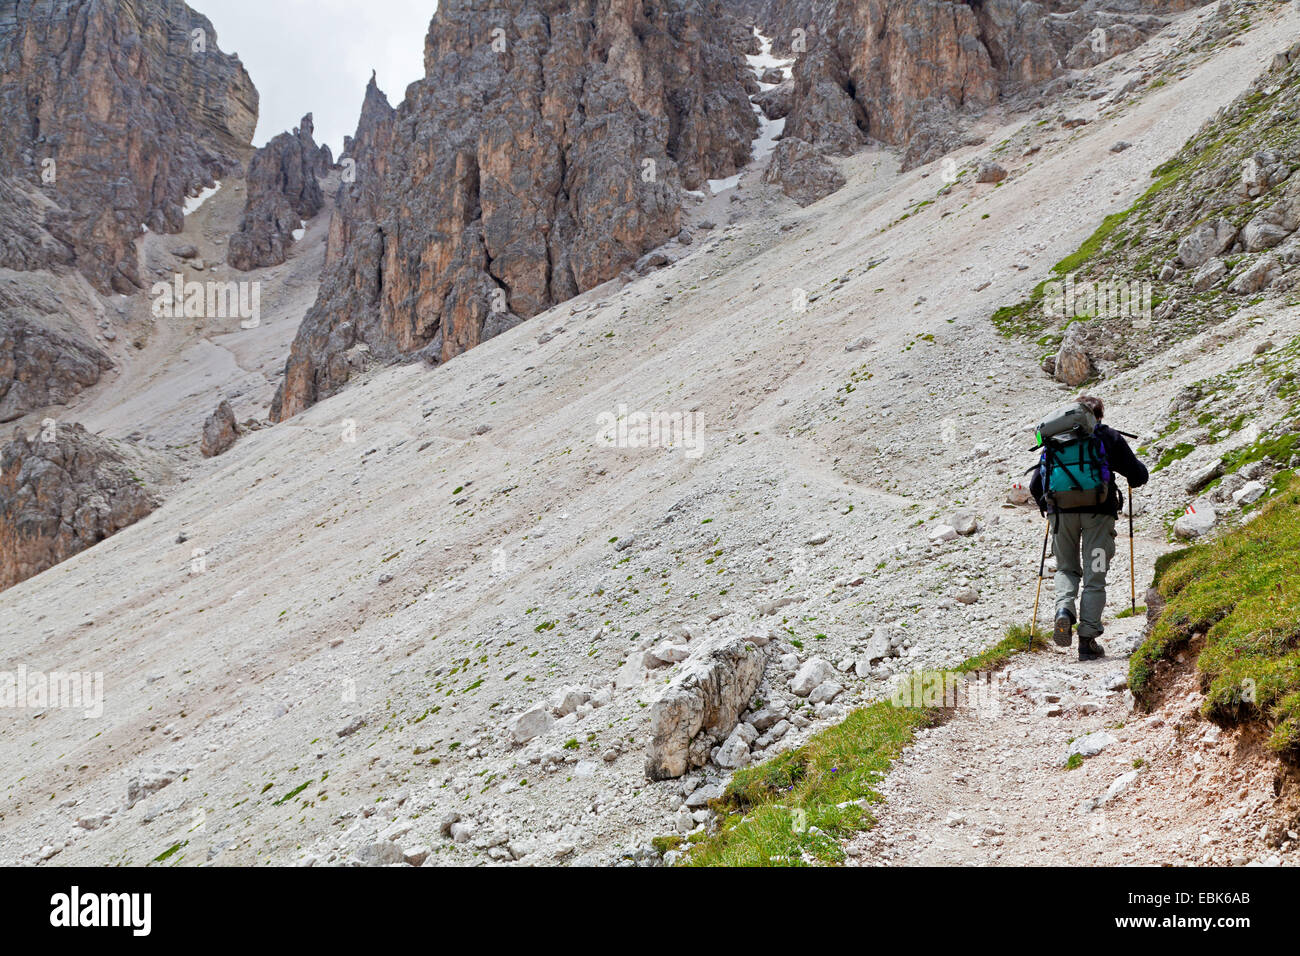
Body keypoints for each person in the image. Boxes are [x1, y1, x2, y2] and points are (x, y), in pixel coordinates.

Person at [1030, 395, 1149, 660]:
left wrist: (1049, 509)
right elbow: (1139, 475)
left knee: (1065, 568)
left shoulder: (1056, 438)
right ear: (1099, 415)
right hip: (1098, 516)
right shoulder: (1107, 437)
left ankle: (1064, 610)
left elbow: (1035, 485)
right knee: (1095, 577)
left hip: (1062, 517)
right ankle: (1087, 640)